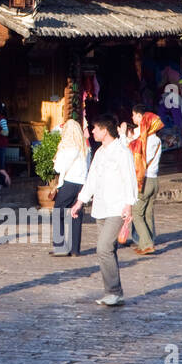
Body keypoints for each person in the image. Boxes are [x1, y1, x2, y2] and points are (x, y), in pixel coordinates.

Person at [71, 114, 137, 306]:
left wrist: (129, 205)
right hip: (100, 207)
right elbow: (91, 179)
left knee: (103, 248)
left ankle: (113, 291)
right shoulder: (100, 152)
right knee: (109, 249)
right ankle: (114, 291)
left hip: (117, 207)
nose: (92, 132)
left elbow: (129, 179)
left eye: (95, 129)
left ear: (105, 130)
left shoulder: (122, 152)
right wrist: (79, 202)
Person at [49, 119, 90, 256]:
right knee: (76, 214)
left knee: (57, 213)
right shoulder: (85, 148)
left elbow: (58, 168)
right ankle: (75, 249)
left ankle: (60, 246)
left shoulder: (67, 148)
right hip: (82, 183)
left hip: (69, 183)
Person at [128, 106, 164, 255]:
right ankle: (146, 243)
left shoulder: (146, 140)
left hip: (145, 180)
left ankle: (147, 243)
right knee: (148, 213)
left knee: (136, 213)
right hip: (155, 180)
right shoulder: (157, 140)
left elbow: (139, 159)